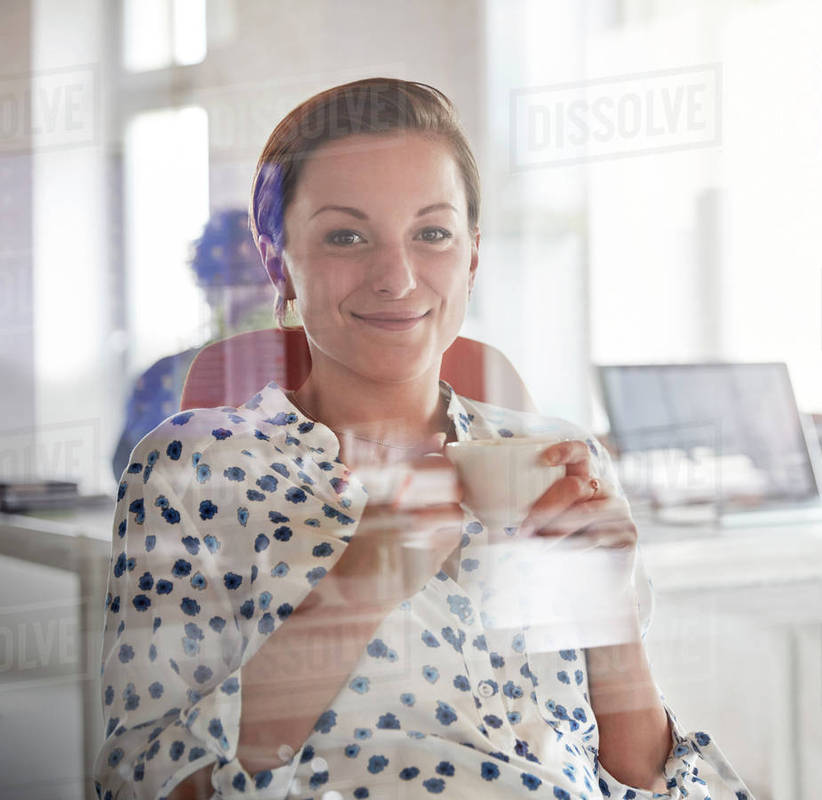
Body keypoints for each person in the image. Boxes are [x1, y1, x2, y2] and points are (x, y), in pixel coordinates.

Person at [92, 78, 753, 800]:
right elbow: (142, 784)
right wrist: (359, 587)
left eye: (432, 233)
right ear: (279, 261)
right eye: (347, 236)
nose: (397, 277)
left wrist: (611, 610)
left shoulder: (558, 461)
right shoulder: (192, 467)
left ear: (472, 255)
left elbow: (647, 781)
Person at [110, 209, 277, 484]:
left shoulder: (316, 373)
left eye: (266, 276)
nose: (259, 292)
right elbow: (129, 474)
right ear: (207, 287)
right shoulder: (162, 378)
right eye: (237, 278)